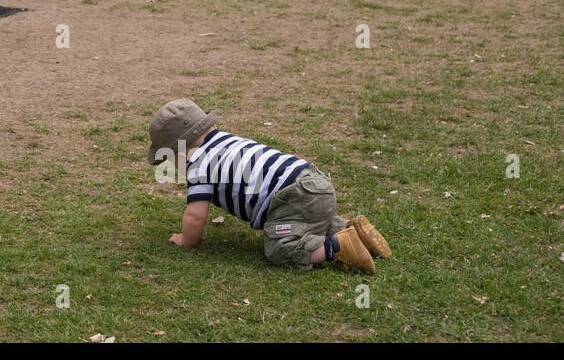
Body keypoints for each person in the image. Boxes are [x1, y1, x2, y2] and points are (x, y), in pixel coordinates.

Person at [147, 98, 393, 273]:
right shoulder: (227, 140)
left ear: (180, 151)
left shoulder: (199, 165)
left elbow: (195, 216)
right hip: (313, 182)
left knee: (279, 247)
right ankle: (351, 230)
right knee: (305, 222)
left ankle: (338, 246)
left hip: (290, 197)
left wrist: (186, 240)